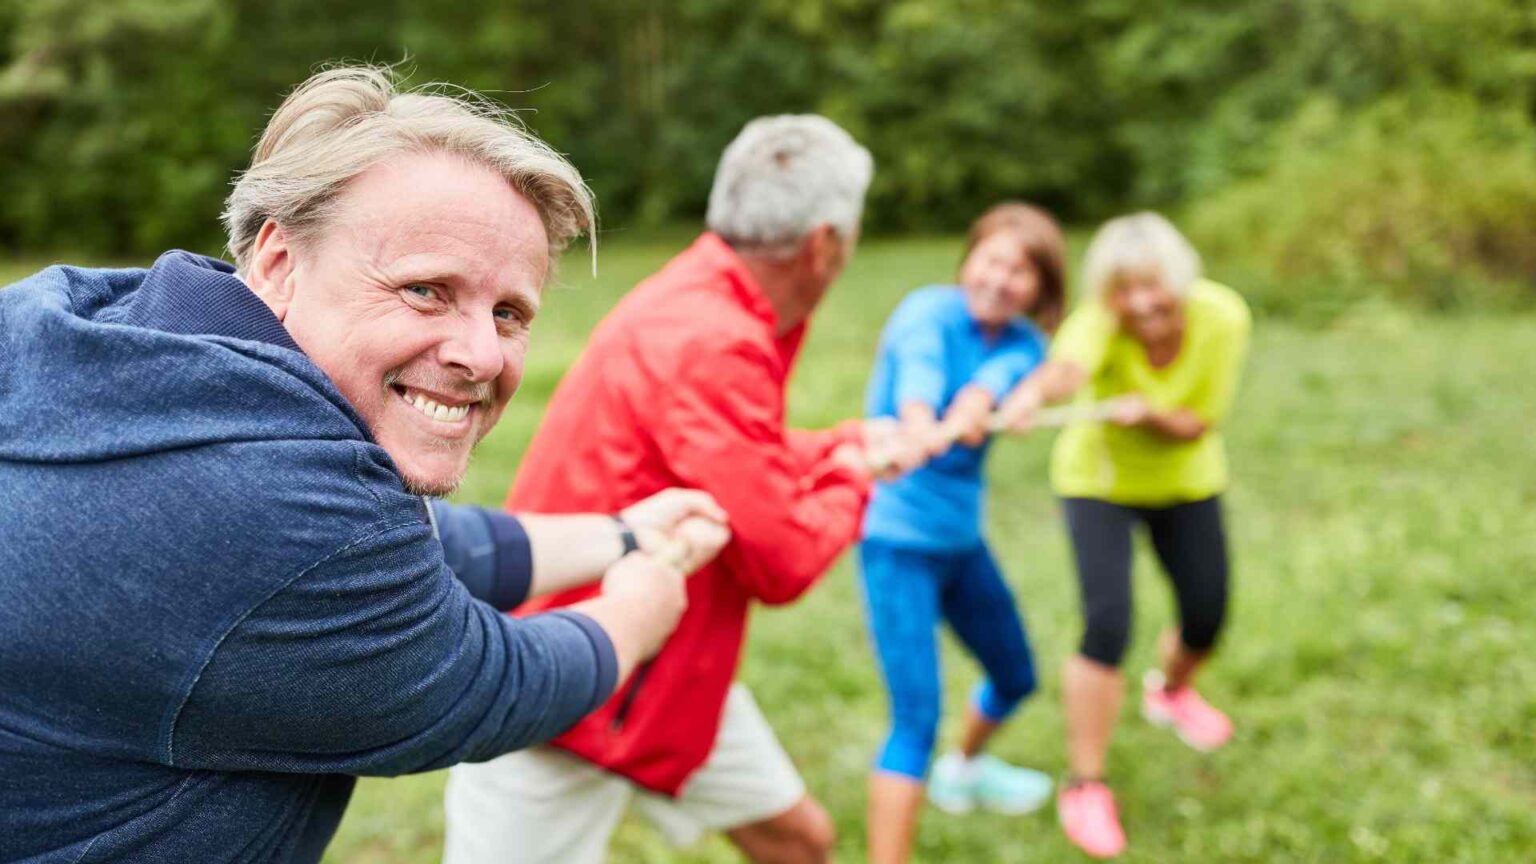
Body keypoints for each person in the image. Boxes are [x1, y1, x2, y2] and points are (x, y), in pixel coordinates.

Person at [0, 66, 729, 864]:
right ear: (278, 261)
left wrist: (615, 536)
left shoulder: (120, 342)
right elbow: (485, 681)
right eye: (424, 290)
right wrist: (636, 612)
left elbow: (394, 550)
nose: (481, 353)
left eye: (508, 312)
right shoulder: (272, 507)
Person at [442, 115, 901, 864]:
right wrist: (854, 478)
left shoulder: (707, 297)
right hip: (569, 683)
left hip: (672, 661)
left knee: (799, 842)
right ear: (823, 245)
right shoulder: (711, 337)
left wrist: (843, 444)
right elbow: (779, 556)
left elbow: (733, 459)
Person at [858, 202, 1082, 863]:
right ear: (968, 260)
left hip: (959, 541)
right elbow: (921, 370)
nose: (1000, 278)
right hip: (897, 543)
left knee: (1015, 675)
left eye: (1021, 271)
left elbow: (993, 385)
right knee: (914, 722)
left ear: (1040, 288)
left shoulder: (1021, 344)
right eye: (992, 259)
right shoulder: (926, 310)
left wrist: (982, 406)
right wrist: (922, 419)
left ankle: (964, 771)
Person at [1038, 213, 1251, 858]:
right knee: (1107, 624)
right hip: (1098, 483)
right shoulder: (1100, 318)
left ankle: (1173, 692)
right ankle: (1086, 785)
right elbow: (1066, 371)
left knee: (1207, 614)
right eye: (1124, 290)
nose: (1140, 304)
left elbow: (1196, 423)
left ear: (1181, 280)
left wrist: (1151, 413)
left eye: (1153, 287)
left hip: (1186, 477)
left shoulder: (1223, 317)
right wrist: (1028, 400)